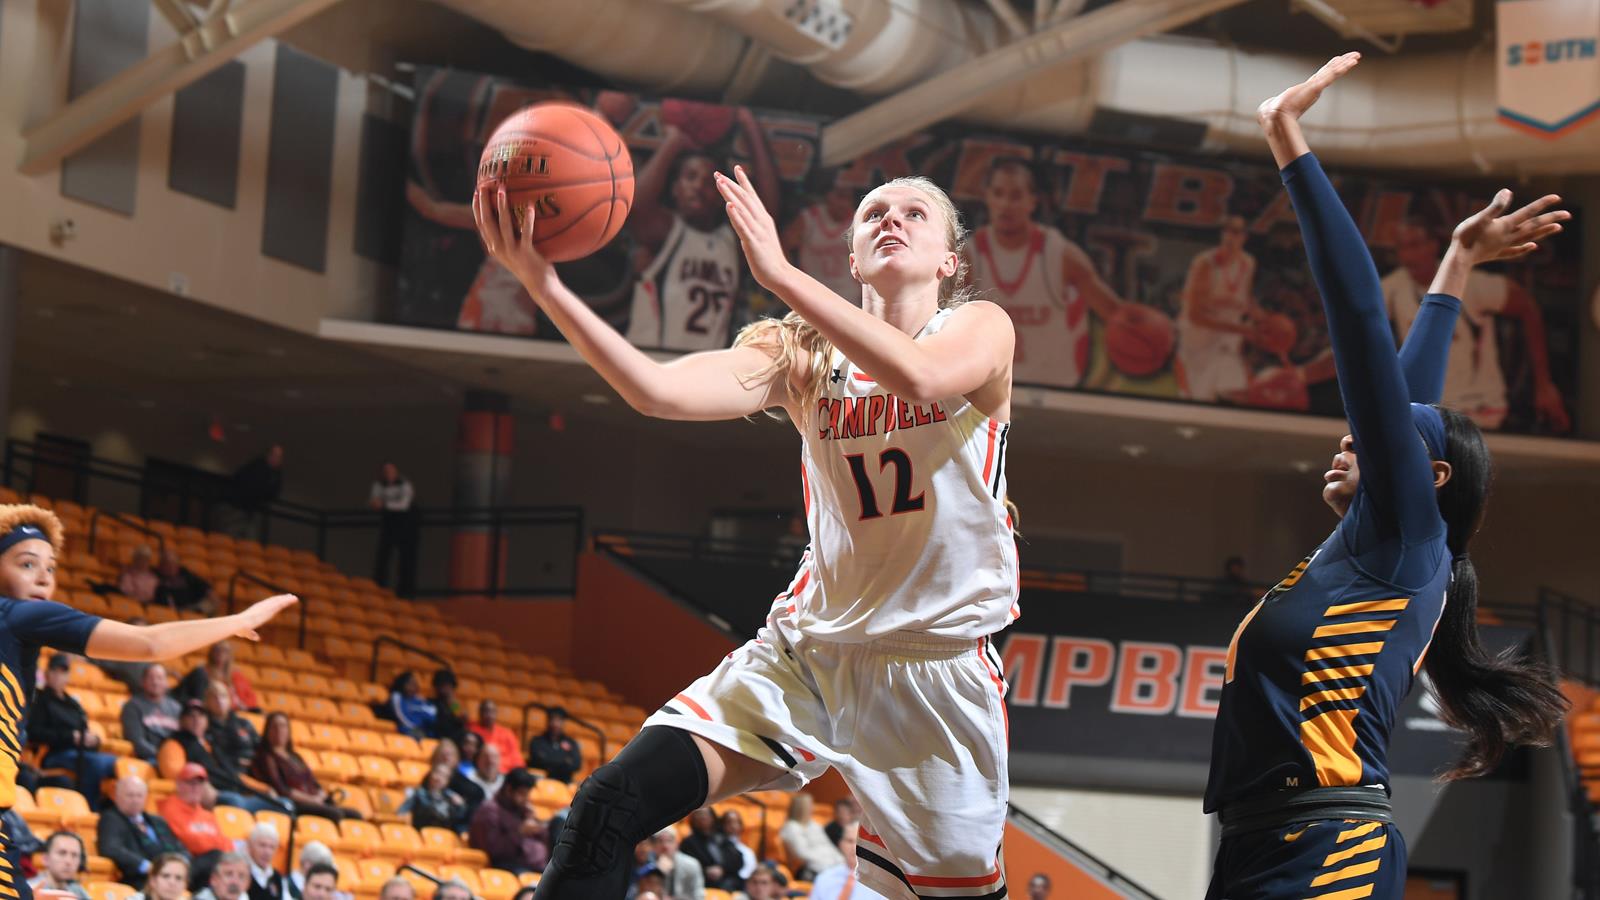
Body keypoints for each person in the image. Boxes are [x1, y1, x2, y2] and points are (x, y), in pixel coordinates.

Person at [479, 150, 1019, 900]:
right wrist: (544, 285)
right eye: (873, 214)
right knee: (608, 805)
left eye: (913, 213)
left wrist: (781, 275)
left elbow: (921, 378)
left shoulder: (982, 327)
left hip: (937, 669)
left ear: (949, 261)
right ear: (854, 261)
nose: (890, 220)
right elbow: (656, 391)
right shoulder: (801, 351)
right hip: (811, 652)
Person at [1205, 53, 1570, 900]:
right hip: (1264, 843)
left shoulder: (1410, 541)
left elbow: (1362, 321)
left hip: (1327, 848)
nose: (1350, 435)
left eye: (1375, 437)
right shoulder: (1370, 550)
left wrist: (1286, 137)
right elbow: (1405, 394)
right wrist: (1457, 263)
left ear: (1427, 474)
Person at [0, 503, 294, 900]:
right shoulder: (16, 615)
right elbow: (149, 643)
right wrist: (237, 622)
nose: (43, 579)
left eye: (50, 568)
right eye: (26, 564)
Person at [1383, 217, 1569, 433]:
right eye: (1401, 248)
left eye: (1414, 245)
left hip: (1481, 410)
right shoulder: (1394, 287)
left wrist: (1543, 384)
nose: (1408, 256)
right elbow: (1360, 328)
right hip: (1431, 411)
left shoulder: (1472, 283)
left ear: (1433, 245)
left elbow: (1527, 306)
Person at [623, 110, 780, 352]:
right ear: (675, 189)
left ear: (720, 197)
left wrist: (750, 124)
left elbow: (766, 212)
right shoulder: (666, 232)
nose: (699, 186)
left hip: (703, 365)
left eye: (709, 182)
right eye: (691, 177)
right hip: (650, 360)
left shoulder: (731, 243)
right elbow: (636, 208)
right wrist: (672, 144)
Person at [962, 157, 1120, 388]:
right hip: (991, 392)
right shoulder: (969, 256)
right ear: (987, 197)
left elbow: (1114, 315)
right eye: (998, 193)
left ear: (1033, 201)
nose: (1005, 204)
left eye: (1016, 196)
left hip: (1054, 392)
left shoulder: (1060, 254)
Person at [1177, 215, 1263, 402]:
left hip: (1227, 338)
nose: (1230, 236)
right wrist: (1241, 329)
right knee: (1198, 400)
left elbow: (1245, 297)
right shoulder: (1205, 264)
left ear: (1244, 237)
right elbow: (1195, 316)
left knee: (1239, 392)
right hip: (1198, 338)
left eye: (1236, 232)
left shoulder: (1248, 263)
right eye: (1227, 231)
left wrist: (1259, 316)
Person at [161, 700, 285, 815]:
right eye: (191, 716)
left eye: (201, 716)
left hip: (237, 793)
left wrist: (264, 789)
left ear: (207, 721)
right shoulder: (174, 744)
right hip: (218, 795)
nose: (196, 719)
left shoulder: (212, 744)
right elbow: (174, 772)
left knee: (284, 804)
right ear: (182, 721)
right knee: (234, 801)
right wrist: (201, 785)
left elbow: (234, 776)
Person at [28, 652, 117, 809]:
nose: (59, 676)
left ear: (68, 676)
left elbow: (84, 728)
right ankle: (89, 807)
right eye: (55, 671)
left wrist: (93, 740)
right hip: (54, 753)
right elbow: (34, 732)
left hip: (80, 750)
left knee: (114, 763)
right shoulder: (40, 700)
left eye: (63, 672)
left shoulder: (73, 704)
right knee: (95, 764)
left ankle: (108, 806)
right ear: (48, 674)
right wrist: (70, 736)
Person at [249, 712, 363, 821]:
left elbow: (313, 782)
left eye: (283, 726)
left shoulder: (295, 756)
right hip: (293, 803)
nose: (279, 730)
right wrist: (312, 800)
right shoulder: (266, 757)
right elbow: (281, 790)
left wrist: (320, 794)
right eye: (274, 726)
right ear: (267, 730)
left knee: (355, 815)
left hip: (313, 799)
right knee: (334, 813)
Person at [782, 170, 860, 303]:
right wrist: (792, 281)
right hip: (813, 296)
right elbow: (783, 245)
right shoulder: (809, 218)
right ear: (827, 195)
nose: (844, 204)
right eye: (840, 196)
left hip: (850, 298)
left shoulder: (857, 221)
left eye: (848, 198)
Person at [98, 776, 187, 890]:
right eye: (130, 795)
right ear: (117, 796)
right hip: (139, 879)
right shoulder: (110, 819)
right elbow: (111, 848)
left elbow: (180, 847)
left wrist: (182, 864)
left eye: (139, 795)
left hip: (171, 876)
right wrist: (147, 866)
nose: (135, 800)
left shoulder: (158, 820)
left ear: (145, 798)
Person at [468, 768, 548, 874]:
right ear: (509, 790)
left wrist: (533, 821)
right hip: (507, 868)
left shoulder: (522, 810)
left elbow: (544, 840)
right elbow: (493, 851)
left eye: (527, 794)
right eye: (522, 794)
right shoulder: (489, 812)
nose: (526, 798)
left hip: (536, 865)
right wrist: (520, 832)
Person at [160, 764, 243, 862]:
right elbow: (189, 841)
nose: (195, 788)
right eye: (190, 783)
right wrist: (214, 845)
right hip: (190, 861)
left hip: (215, 861)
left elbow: (226, 844)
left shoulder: (207, 815)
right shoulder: (170, 808)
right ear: (179, 784)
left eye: (200, 783)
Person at [369, 463, 419, 598]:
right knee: (383, 555)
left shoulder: (404, 484)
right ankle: (380, 587)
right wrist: (381, 505)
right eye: (385, 471)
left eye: (390, 471)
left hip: (405, 523)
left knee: (406, 559)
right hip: (388, 523)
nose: (388, 473)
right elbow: (374, 502)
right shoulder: (378, 485)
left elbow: (403, 505)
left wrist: (385, 505)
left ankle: (405, 591)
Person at [122, 663, 184, 763]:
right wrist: (162, 756)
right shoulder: (132, 706)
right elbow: (136, 741)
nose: (155, 682)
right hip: (147, 758)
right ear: (142, 682)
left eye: (160, 678)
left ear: (166, 683)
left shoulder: (176, 708)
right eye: (151, 678)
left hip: (175, 759)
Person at [808, 823, 888, 900]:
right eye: (850, 841)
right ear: (841, 844)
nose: (854, 848)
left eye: (859, 843)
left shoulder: (882, 884)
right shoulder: (824, 878)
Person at [178, 641, 260, 711]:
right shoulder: (203, 672)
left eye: (224, 651)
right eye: (217, 650)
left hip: (238, 710)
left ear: (229, 655)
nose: (220, 654)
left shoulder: (237, 675)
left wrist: (244, 705)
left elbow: (251, 697)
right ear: (211, 653)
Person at [778, 794, 842, 882]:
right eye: (809, 805)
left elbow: (828, 845)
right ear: (800, 808)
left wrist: (840, 861)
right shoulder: (791, 827)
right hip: (808, 870)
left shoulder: (814, 825)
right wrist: (828, 863)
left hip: (828, 865)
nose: (812, 808)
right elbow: (802, 854)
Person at [228, 446, 284, 539]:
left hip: (254, 512)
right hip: (238, 507)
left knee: (250, 539)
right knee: (231, 535)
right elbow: (242, 481)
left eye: (279, 457)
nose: (276, 459)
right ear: (268, 455)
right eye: (274, 455)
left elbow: (273, 493)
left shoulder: (276, 475)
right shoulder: (256, 466)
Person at [205, 679, 260, 769]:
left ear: (229, 700)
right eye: (214, 697)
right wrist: (236, 761)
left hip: (254, 768)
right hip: (227, 770)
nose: (219, 700)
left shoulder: (244, 723)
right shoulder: (204, 727)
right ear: (207, 701)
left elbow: (261, 747)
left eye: (223, 696)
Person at [679, 808, 738, 892]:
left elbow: (738, 859)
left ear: (713, 817)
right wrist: (705, 871)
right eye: (699, 814)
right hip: (701, 884)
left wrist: (723, 869)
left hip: (727, 881)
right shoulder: (688, 842)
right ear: (693, 819)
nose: (702, 817)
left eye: (705, 814)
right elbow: (684, 865)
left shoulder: (722, 837)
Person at [400, 763, 469, 833]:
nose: (439, 778)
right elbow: (402, 812)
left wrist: (461, 806)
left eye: (444, 776)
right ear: (431, 774)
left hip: (444, 834)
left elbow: (460, 819)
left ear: (448, 781)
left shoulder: (451, 798)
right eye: (437, 773)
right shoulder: (418, 793)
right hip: (420, 833)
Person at [525, 707, 581, 784]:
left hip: (564, 781)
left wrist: (549, 759)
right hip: (541, 781)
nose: (555, 724)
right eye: (552, 720)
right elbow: (537, 760)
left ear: (563, 722)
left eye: (559, 720)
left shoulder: (571, 743)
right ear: (548, 721)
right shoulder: (537, 741)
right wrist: (564, 762)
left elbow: (576, 765)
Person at [153, 549, 220, 614]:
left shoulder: (185, 574)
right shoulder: (156, 577)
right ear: (161, 565)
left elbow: (205, 587)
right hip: (175, 610)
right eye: (167, 564)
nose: (170, 567)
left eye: (173, 563)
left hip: (195, 607)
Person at [29, 832, 90, 900]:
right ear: (45, 859)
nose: (68, 861)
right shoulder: (30, 888)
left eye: (74, 855)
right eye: (62, 853)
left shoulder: (78, 891)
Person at [468, 700, 526, 773]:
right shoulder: (471, 730)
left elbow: (516, 758)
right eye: (486, 711)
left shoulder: (507, 733)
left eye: (492, 712)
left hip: (507, 773)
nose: (489, 715)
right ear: (480, 713)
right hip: (482, 772)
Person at [650, 828, 703, 900]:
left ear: (677, 844)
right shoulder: (648, 864)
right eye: (660, 841)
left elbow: (698, 896)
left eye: (669, 841)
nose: (665, 846)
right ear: (654, 846)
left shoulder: (691, 864)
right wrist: (659, 872)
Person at [244, 823, 292, 900]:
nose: (267, 852)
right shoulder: (241, 874)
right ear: (250, 846)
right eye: (262, 845)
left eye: (272, 847)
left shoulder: (278, 878)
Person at [387, 672, 436, 738]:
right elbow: (401, 716)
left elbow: (432, 715)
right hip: (410, 730)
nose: (414, 685)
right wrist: (414, 727)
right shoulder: (397, 697)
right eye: (410, 683)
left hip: (425, 730)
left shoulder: (420, 699)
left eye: (415, 683)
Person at [719, 810, 757, 885]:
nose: (733, 826)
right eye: (729, 822)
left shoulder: (747, 851)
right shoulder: (717, 845)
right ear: (722, 825)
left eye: (737, 822)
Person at [429, 669, 466, 745]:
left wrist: (451, 702)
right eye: (443, 685)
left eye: (450, 686)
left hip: (455, 740)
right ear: (437, 686)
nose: (447, 689)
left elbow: (460, 718)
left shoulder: (454, 704)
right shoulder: (430, 703)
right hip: (438, 738)